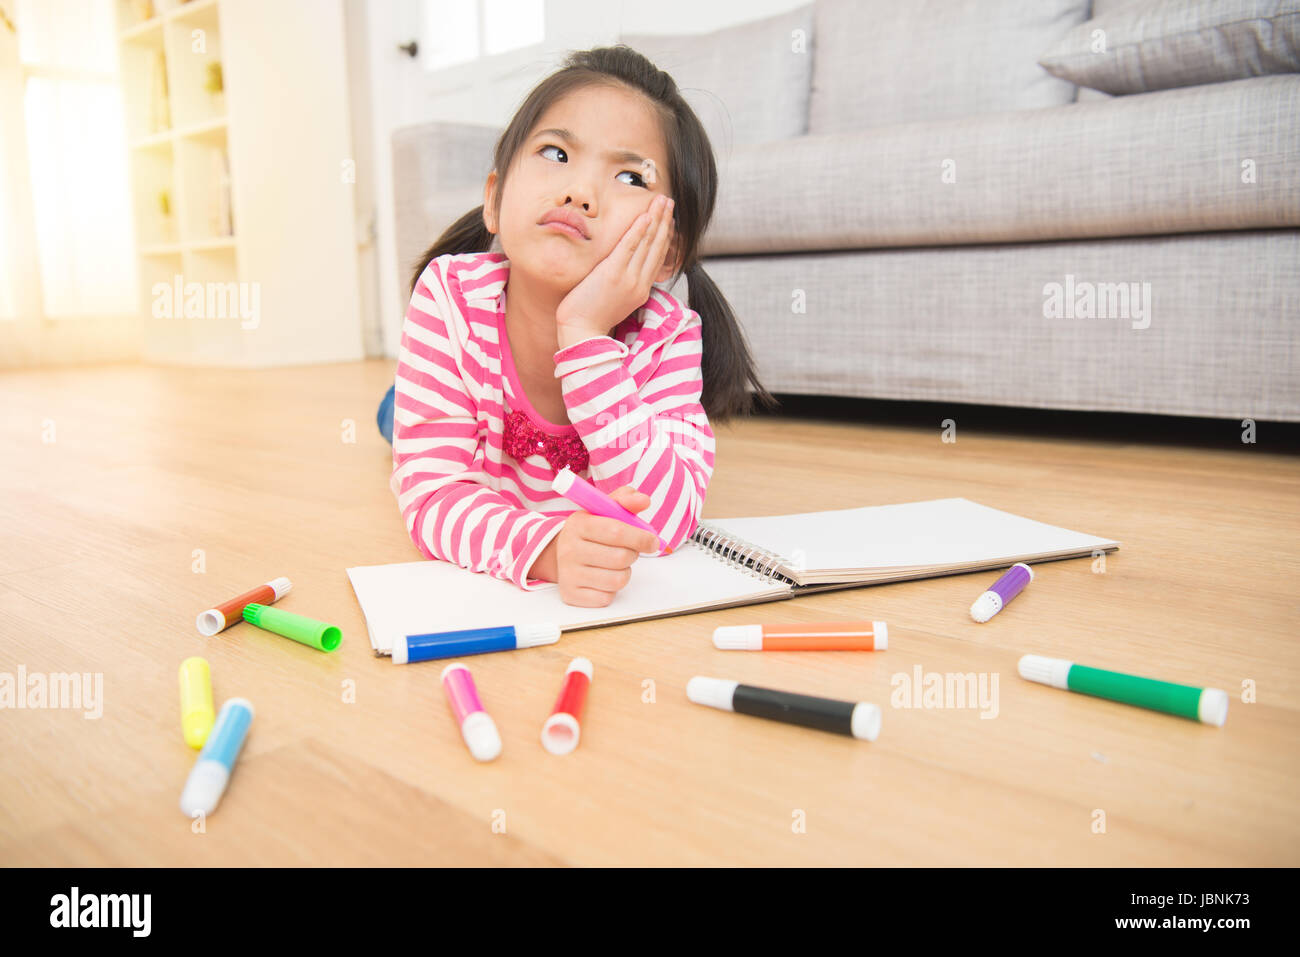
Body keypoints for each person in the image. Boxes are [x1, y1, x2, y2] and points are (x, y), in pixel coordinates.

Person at [381, 45, 777, 607]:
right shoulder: (449, 295)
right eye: (555, 152)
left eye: (630, 176)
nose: (580, 192)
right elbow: (431, 492)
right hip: (454, 383)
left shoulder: (666, 337)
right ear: (494, 200)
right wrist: (545, 549)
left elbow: (665, 522)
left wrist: (587, 334)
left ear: (667, 255)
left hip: (581, 364)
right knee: (397, 418)